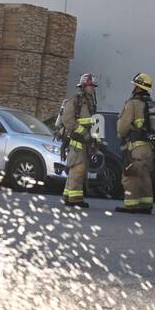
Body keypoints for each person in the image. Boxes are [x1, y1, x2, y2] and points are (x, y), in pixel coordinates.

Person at [115, 72, 155, 214]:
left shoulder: (132, 104)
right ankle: (146, 204)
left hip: (136, 147)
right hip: (149, 148)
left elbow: (123, 126)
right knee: (144, 175)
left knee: (130, 175)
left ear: (137, 87)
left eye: (135, 85)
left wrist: (121, 135)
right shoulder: (152, 104)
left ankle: (131, 205)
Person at [59, 73, 99, 208]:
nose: (93, 88)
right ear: (83, 86)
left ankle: (67, 196)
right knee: (78, 169)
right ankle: (75, 200)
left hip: (85, 142)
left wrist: (94, 139)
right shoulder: (75, 100)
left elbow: (92, 122)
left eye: (93, 86)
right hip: (76, 140)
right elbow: (68, 120)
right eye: (90, 85)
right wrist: (84, 133)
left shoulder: (90, 102)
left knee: (75, 170)